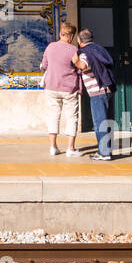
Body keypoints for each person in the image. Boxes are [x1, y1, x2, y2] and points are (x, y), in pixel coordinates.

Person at [39, 22, 82, 157]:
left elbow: (44, 65)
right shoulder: (74, 50)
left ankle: (53, 147)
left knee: (53, 115)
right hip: (69, 88)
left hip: (51, 86)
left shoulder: (50, 47)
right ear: (70, 36)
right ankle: (70, 148)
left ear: (60, 34)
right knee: (71, 117)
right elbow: (78, 67)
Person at [74, 28, 117, 160]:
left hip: (97, 91)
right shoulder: (99, 49)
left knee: (100, 123)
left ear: (79, 40)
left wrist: (74, 59)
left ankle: (104, 153)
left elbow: (82, 65)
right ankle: (107, 151)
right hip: (109, 88)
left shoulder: (85, 52)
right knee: (107, 122)